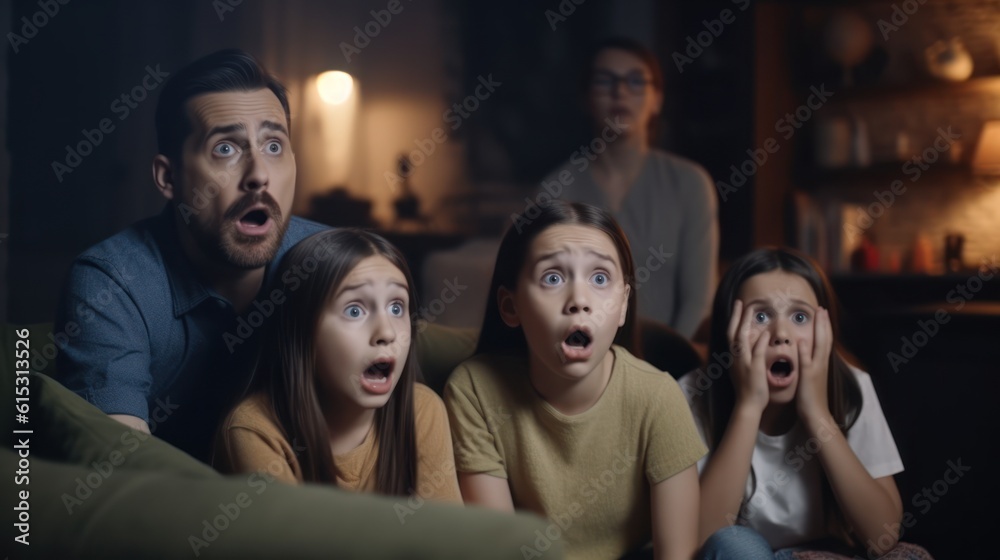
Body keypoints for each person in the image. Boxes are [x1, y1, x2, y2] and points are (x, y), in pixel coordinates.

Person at [445, 200, 705, 559]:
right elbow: (501, 550)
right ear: (511, 306)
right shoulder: (474, 391)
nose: (579, 300)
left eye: (600, 278)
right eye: (553, 278)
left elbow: (675, 555)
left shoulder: (658, 397)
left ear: (624, 304)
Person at [678, 248, 932, 559]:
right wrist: (749, 406)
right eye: (761, 316)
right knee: (735, 544)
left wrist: (817, 413)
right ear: (730, 329)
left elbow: (882, 535)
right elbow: (703, 540)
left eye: (800, 317)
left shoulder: (853, 387)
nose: (781, 334)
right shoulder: (691, 395)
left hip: (824, 553)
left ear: (825, 332)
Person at [214, 229, 461, 504]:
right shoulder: (254, 431)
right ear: (302, 332)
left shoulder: (423, 410)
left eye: (396, 307)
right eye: (354, 310)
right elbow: (296, 546)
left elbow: (448, 540)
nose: (388, 332)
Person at [539, 37, 718, 340]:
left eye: (635, 81)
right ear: (586, 98)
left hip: (668, 364)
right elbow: (546, 298)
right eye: (604, 80)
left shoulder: (690, 184)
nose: (619, 91)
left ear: (657, 99)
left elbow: (698, 302)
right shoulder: (554, 190)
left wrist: (663, 368)